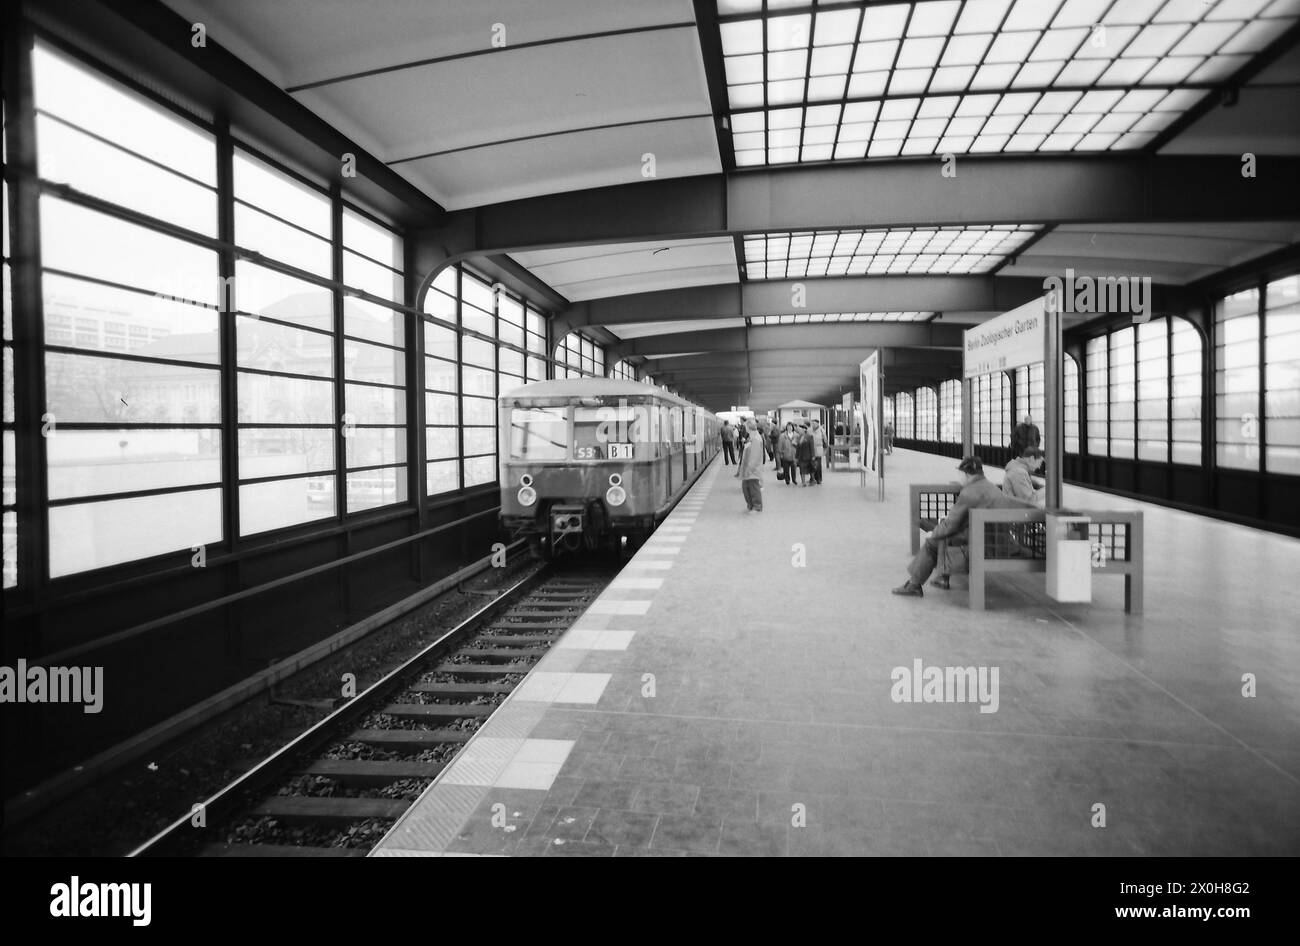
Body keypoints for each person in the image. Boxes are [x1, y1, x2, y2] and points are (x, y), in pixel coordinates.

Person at [891, 455, 1021, 596]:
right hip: (999, 541)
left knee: (934, 541)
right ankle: (940, 579)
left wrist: (933, 533)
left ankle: (914, 584)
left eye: (960, 474)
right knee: (945, 536)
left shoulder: (969, 492)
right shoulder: (991, 487)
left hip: (984, 546)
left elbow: (951, 524)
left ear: (966, 474)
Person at [734, 420, 763, 512]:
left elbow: (754, 457)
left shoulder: (756, 439)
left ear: (749, 427)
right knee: (746, 488)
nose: (745, 429)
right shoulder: (752, 438)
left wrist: (749, 469)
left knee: (754, 488)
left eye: (746, 427)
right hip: (747, 469)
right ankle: (750, 505)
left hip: (752, 470)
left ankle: (757, 506)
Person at [809, 419, 828, 484]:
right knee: (811, 464)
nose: (813, 425)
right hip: (811, 449)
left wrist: (825, 450)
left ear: (817, 424)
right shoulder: (809, 430)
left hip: (819, 449)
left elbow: (825, 440)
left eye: (814, 423)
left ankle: (819, 478)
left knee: (818, 465)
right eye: (812, 424)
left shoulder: (822, 431)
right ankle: (812, 478)